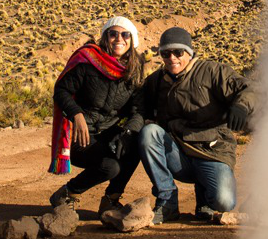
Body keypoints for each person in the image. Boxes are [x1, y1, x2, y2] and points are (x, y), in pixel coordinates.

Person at [135, 26, 255, 224]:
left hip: (212, 151)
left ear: (189, 53)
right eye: (166, 53)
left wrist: (241, 106)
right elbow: (136, 103)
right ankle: (167, 202)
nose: (172, 57)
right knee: (150, 133)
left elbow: (248, 89)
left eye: (178, 52)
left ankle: (205, 200)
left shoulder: (213, 72)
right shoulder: (156, 81)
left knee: (224, 203)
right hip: (178, 152)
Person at [48, 16, 145, 215]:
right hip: (80, 135)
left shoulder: (134, 69)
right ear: (105, 37)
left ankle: (111, 199)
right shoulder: (87, 60)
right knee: (110, 167)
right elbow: (61, 91)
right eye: (113, 34)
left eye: (125, 34)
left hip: (108, 132)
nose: (119, 39)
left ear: (132, 39)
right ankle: (68, 193)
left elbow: (137, 108)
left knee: (136, 144)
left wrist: (128, 131)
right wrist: (77, 115)